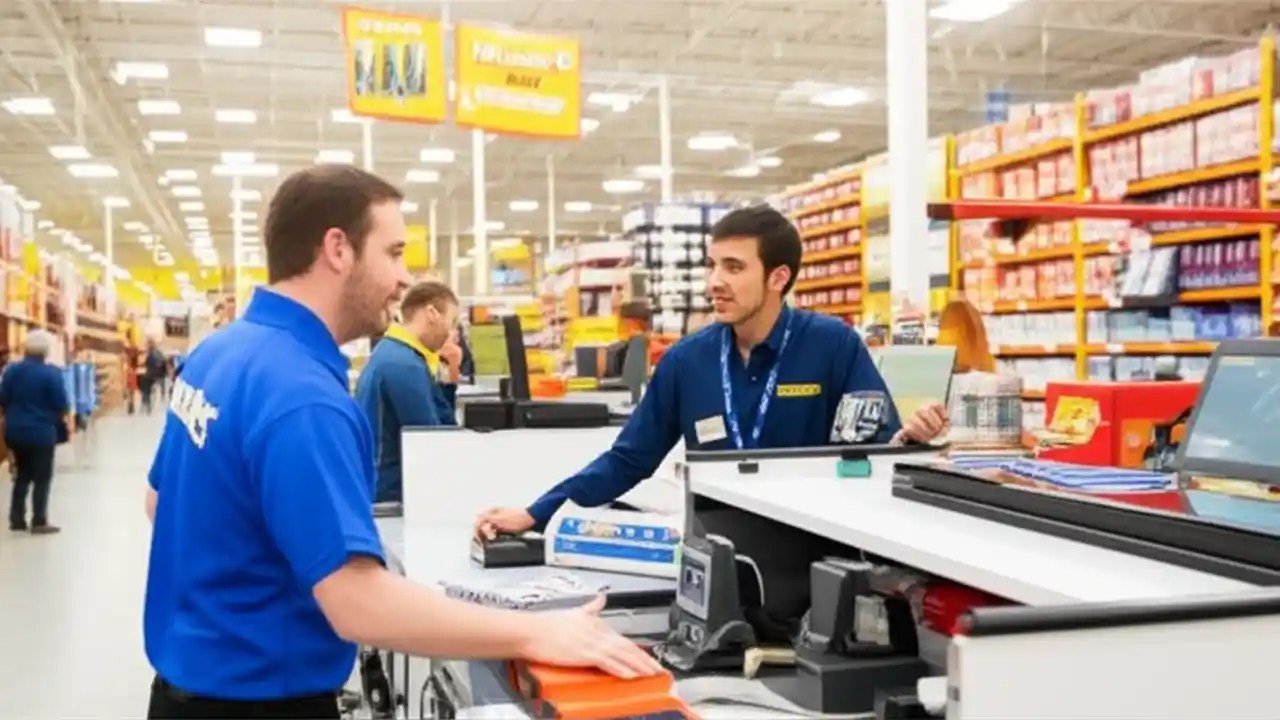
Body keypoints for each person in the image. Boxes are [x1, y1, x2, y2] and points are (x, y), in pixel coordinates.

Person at [142, 165, 658, 720]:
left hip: (181, 694)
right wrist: (536, 633)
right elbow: (357, 605)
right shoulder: (302, 396)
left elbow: (158, 502)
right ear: (338, 249)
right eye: (393, 252)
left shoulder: (217, 355)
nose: (404, 276)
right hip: (261, 705)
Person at [475, 205, 949, 539]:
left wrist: (911, 439)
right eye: (712, 265)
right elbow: (628, 460)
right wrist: (537, 513)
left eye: (734, 267)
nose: (715, 281)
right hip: (716, 550)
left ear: (778, 278)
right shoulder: (687, 361)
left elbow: (873, 448)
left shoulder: (833, 346)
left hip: (817, 549)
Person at [354, 280, 464, 504]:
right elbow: (432, 440)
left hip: (382, 487)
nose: (451, 334)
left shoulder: (398, 354)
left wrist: (448, 373)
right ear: (433, 313)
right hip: (391, 494)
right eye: (451, 322)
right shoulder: (404, 365)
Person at [0, 330, 71, 534]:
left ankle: (17, 519)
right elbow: (61, 404)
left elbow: (2, 398)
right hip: (41, 432)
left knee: (21, 474)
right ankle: (39, 520)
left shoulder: (11, 371)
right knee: (42, 476)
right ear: (46, 352)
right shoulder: (52, 374)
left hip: (14, 432)